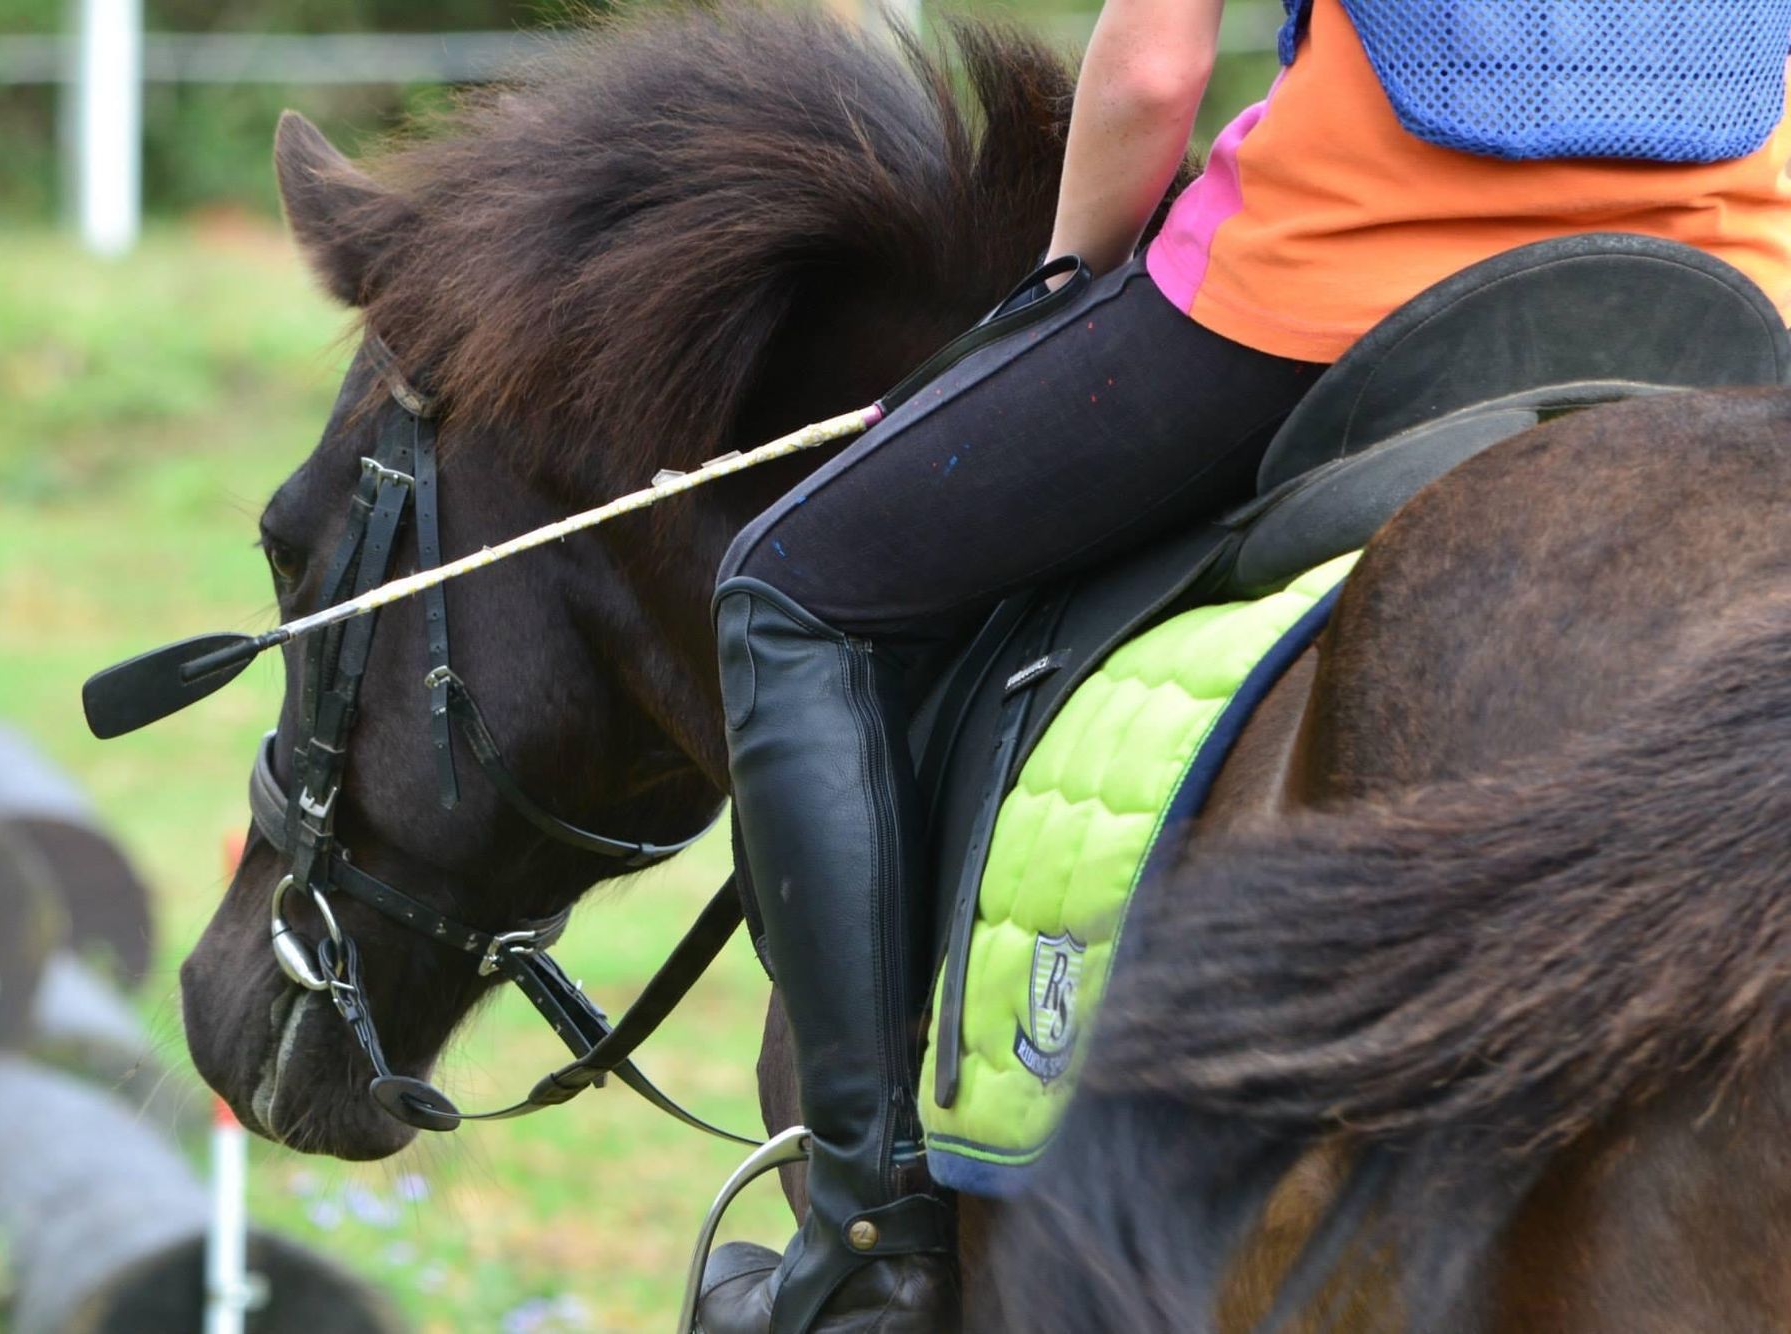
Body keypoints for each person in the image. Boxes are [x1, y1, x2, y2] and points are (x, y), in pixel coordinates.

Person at [696, 2, 1791, 1329]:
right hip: (1733, 286)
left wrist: (1055, 287)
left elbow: (1157, 73)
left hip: (1330, 280)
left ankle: (870, 1244)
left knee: (793, 588)